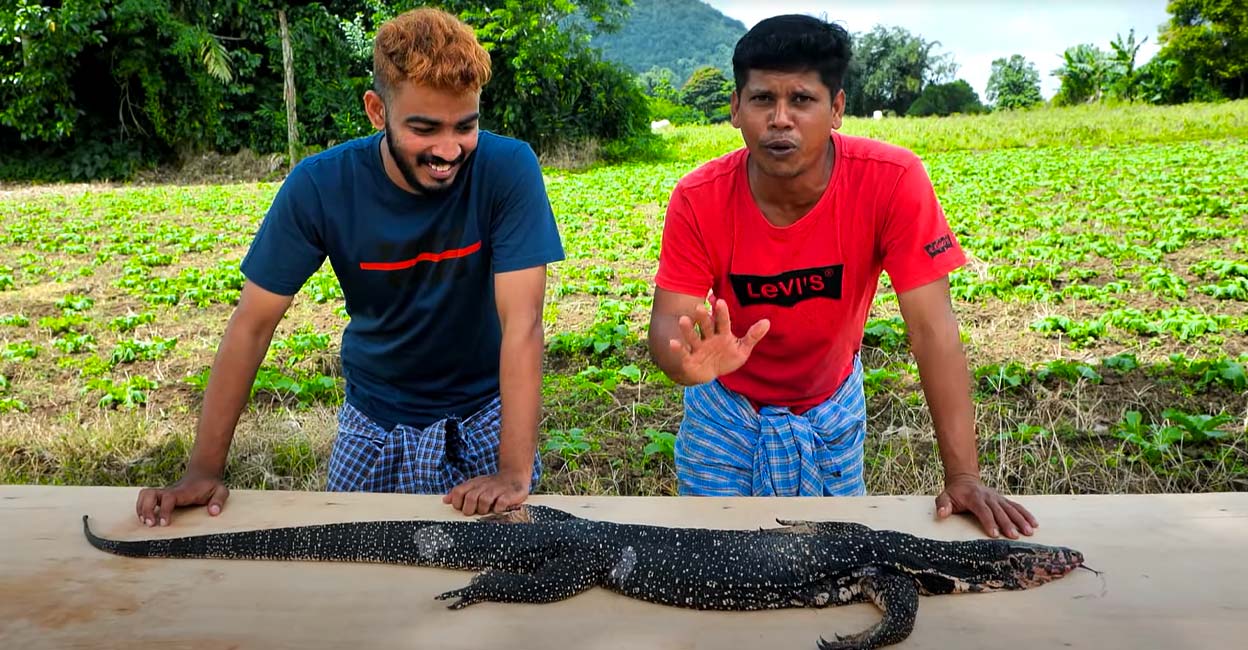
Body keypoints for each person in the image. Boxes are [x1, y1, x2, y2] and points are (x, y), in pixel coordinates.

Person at [135, 7, 564, 526]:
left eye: (465, 126)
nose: (449, 149)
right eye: (424, 128)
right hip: (374, 419)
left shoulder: (507, 169)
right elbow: (252, 324)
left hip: (482, 417)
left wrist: (513, 474)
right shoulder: (321, 186)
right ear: (377, 112)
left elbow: (523, 323)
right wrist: (202, 469)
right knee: (356, 581)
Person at [646, 14, 1037, 540]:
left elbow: (933, 331)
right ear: (736, 109)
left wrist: (964, 477)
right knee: (715, 567)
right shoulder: (699, 198)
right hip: (725, 411)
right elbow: (670, 327)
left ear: (836, 109)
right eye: (762, 99)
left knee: (833, 566)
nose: (780, 119)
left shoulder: (892, 181)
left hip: (829, 408)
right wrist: (686, 365)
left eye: (802, 100)